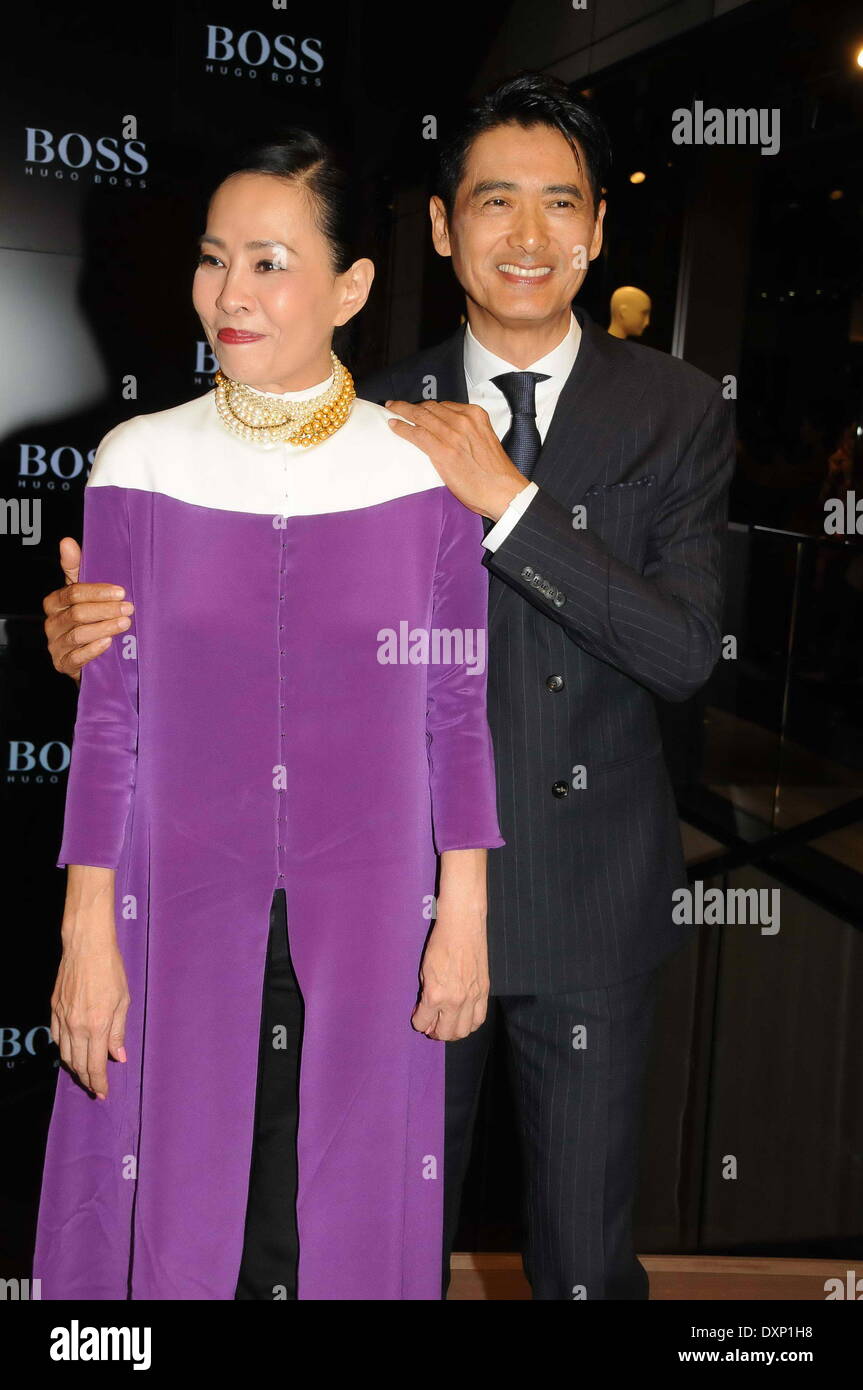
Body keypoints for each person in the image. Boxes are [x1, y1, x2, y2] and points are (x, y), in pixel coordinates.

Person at [42, 73, 736, 1301]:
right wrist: (93, 633)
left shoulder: (671, 410)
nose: (524, 236)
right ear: (436, 227)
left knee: (575, 1256)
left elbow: (679, 654)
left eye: (556, 205)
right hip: (374, 899)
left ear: (594, 229)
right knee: (313, 1226)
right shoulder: (385, 409)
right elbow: (198, 662)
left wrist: (511, 509)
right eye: (491, 202)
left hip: (565, 900)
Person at [33, 130, 504, 1301]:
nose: (230, 294)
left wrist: (464, 914)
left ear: (350, 287)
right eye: (212, 259)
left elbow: (454, 706)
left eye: (269, 262)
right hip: (173, 897)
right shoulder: (137, 458)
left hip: (374, 904)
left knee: (331, 1222)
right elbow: (111, 722)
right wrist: (86, 930)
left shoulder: (421, 466)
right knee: (188, 1227)